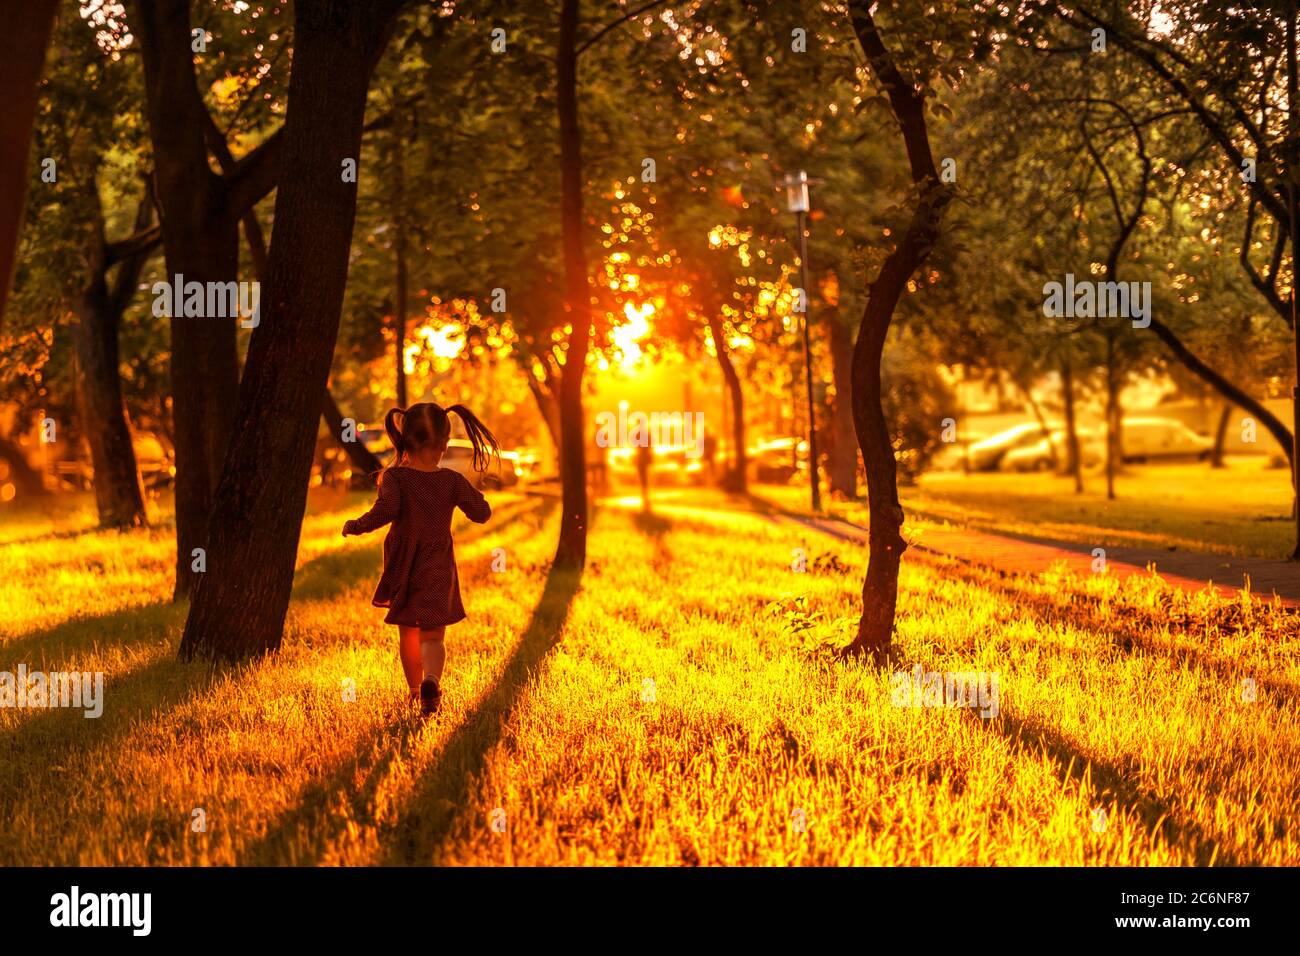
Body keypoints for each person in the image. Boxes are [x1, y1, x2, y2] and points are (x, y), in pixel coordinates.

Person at [342, 402, 498, 716]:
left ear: (407, 439)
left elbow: (384, 512)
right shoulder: (451, 481)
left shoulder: (396, 478)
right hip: (438, 566)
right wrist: (473, 494)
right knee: (433, 634)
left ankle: (415, 692)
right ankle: (431, 680)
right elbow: (482, 513)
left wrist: (356, 526)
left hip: (405, 566)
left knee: (409, 632)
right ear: (444, 443)